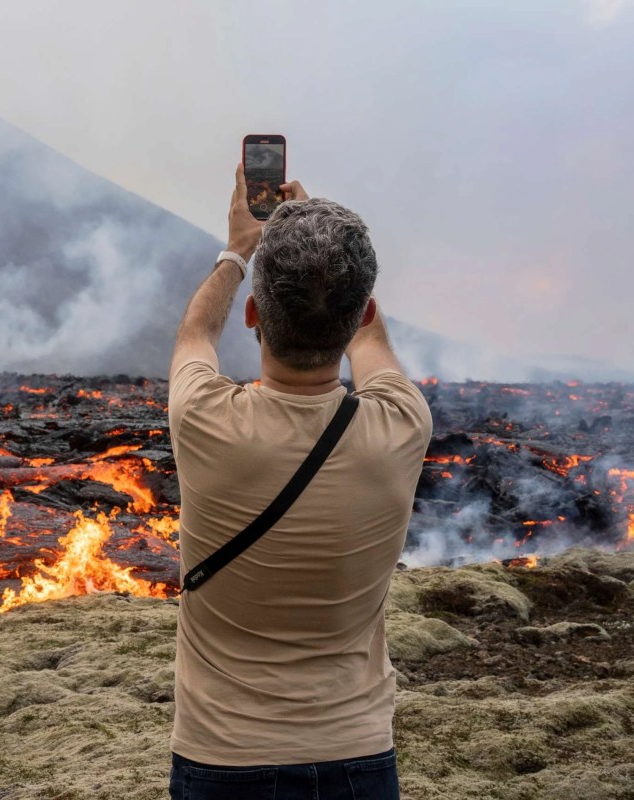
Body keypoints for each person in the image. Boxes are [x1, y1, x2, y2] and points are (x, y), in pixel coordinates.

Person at [166, 165, 433, 799]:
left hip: (221, 757)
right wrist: (329, 260)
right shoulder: (401, 423)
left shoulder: (204, 418)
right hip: (359, 757)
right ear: (362, 309)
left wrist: (238, 251)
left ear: (255, 313)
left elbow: (195, 334)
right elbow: (369, 339)